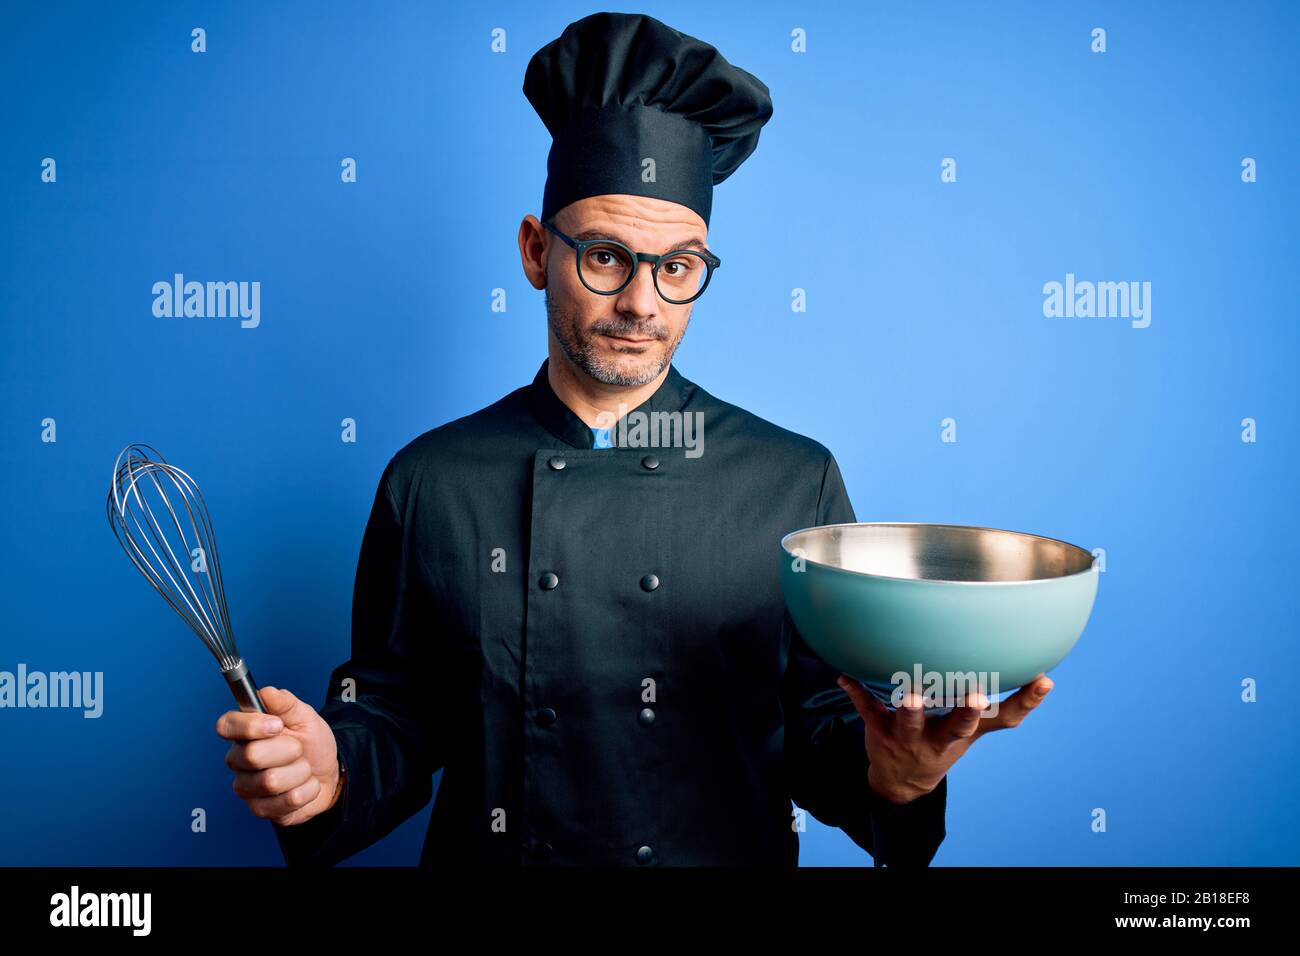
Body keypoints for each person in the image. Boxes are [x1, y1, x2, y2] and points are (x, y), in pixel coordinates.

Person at [215, 11, 1053, 868]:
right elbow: (394, 709)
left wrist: (899, 778)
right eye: (607, 256)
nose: (643, 304)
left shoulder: (792, 481)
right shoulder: (432, 479)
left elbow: (823, 725)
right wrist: (333, 768)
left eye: (678, 266)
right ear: (537, 251)